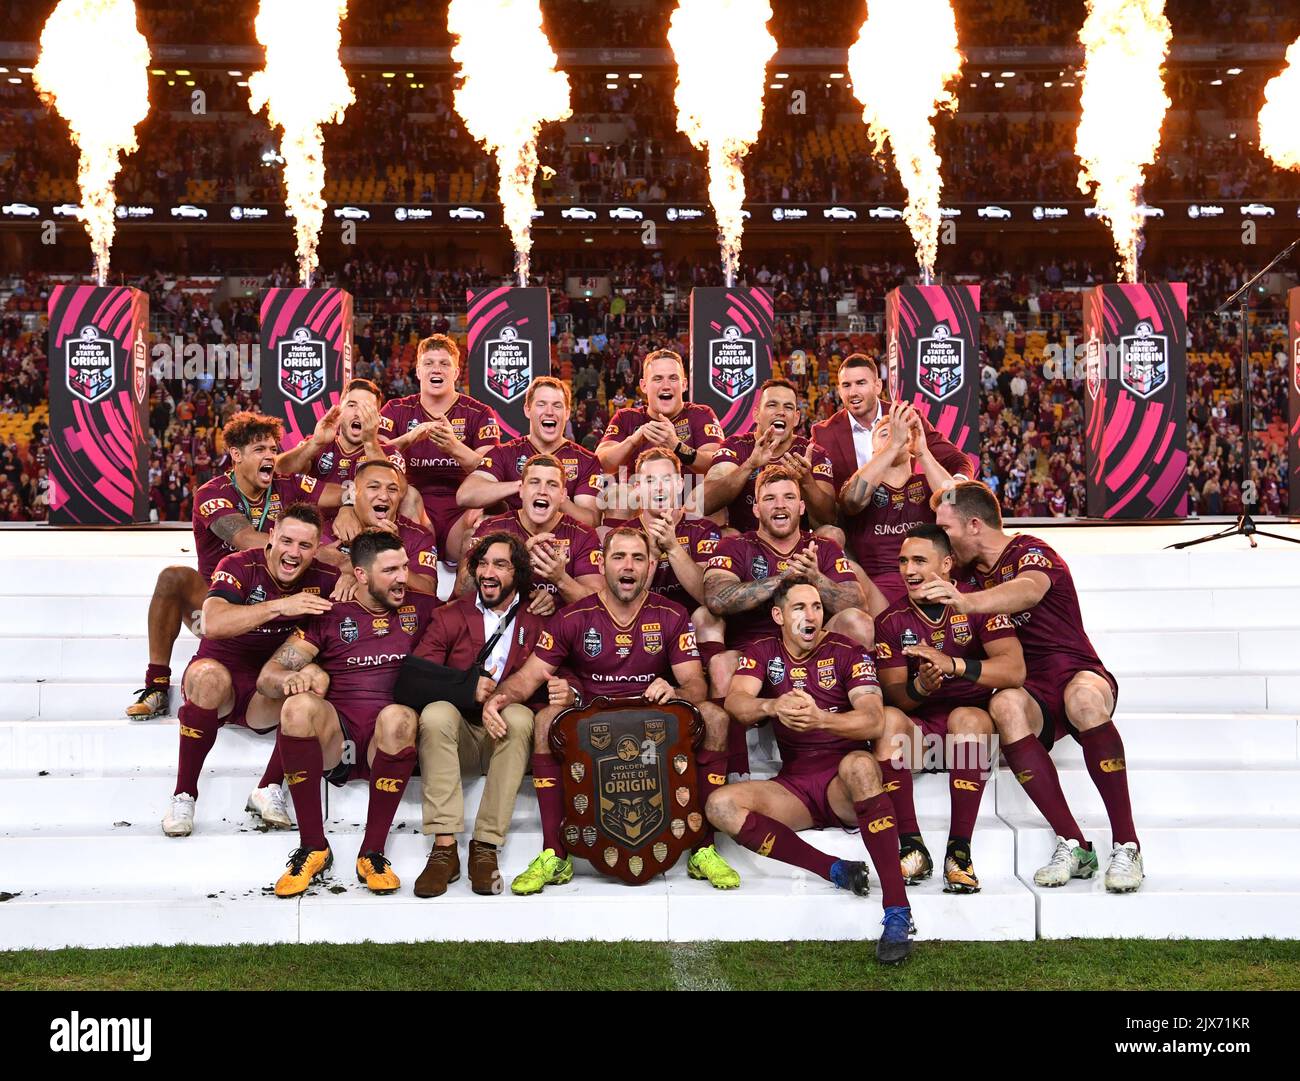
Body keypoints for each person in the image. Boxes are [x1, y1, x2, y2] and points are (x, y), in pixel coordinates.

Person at [482, 528, 740, 894]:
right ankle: (555, 854)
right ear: (602, 563)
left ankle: (703, 849)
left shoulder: (672, 613)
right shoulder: (573, 616)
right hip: (593, 719)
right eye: (619, 557)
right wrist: (500, 698)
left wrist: (675, 688)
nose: (628, 566)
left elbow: (696, 687)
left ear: (652, 566)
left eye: (638, 558)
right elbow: (528, 677)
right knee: (543, 720)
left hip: (653, 717)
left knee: (716, 717)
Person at [926, 482, 1143, 893]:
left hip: (1077, 671)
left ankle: (1128, 843)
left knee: (1082, 700)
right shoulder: (968, 572)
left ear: (974, 525)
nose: (943, 542)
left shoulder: (1030, 549)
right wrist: (918, 447)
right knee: (1004, 705)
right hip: (1031, 686)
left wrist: (969, 603)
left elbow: (1027, 592)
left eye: (947, 531)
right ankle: (1075, 843)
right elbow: (951, 494)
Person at [711, 577, 916, 964]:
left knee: (859, 764)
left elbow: (873, 721)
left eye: (817, 607)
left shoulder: (848, 651)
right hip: (796, 787)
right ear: (778, 615)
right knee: (720, 805)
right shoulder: (762, 651)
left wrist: (821, 719)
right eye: (800, 608)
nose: (811, 616)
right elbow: (736, 702)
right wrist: (771, 708)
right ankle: (834, 870)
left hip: (844, 783)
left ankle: (897, 910)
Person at [257, 531, 439, 897]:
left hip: (389, 740)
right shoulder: (329, 614)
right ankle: (314, 847)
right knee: (297, 707)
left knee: (400, 716)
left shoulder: (423, 608)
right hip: (337, 741)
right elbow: (267, 677)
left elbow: (473, 611)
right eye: (390, 570)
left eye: (404, 566)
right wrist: (292, 679)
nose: (404, 577)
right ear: (360, 574)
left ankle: (372, 853)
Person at [126, 412, 321, 720]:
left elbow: (350, 494)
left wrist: (352, 505)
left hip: (276, 594)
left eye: (273, 449)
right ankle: (157, 686)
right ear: (236, 455)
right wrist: (311, 550)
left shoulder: (288, 485)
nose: (270, 455)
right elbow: (244, 538)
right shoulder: (212, 493)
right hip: (221, 603)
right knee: (173, 577)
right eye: (260, 450)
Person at [161, 504, 338, 838]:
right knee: (209, 677)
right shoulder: (240, 565)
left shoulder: (326, 579)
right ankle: (184, 794)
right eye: (287, 541)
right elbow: (210, 623)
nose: (293, 553)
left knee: (315, 677)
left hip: (266, 693)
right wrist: (280, 606)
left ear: (317, 549)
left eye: (305, 546)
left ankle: (268, 787)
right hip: (220, 685)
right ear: (271, 537)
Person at [874, 524, 1026, 893]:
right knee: (889, 719)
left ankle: (959, 853)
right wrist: (921, 687)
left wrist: (954, 665)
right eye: (904, 561)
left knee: (968, 716)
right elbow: (896, 696)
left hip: (970, 737)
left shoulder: (978, 603)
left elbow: (1014, 670)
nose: (909, 570)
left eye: (920, 561)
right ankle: (912, 847)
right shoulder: (891, 621)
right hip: (921, 743)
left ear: (946, 564)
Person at [410, 532, 541, 898]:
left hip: (507, 738)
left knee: (518, 717)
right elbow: (416, 679)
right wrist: (465, 689)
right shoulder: (450, 616)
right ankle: (444, 848)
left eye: (500, 564)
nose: (488, 572)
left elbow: (562, 671)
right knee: (436, 713)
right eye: (482, 563)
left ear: (518, 573)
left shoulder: (538, 619)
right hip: (461, 739)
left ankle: (485, 846)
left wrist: (569, 690)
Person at [703, 465, 876, 696]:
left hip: (813, 651)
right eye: (769, 498)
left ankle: (862, 715)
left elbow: (858, 606)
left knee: (857, 622)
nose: (780, 505)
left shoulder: (824, 547)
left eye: (789, 497)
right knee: (722, 665)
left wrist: (815, 578)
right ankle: (736, 732)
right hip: (753, 653)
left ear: (801, 506)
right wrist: (783, 580)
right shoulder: (734, 546)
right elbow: (716, 600)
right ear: (756, 509)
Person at [380, 334, 501, 564]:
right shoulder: (395, 409)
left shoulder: (480, 413)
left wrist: (454, 447)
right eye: (429, 363)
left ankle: (462, 596)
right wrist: (408, 438)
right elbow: (372, 460)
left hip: (461, 512)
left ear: (456, 373)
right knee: (407, 497)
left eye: (445, 364)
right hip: (414, 510)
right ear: (417, 371)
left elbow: (491, 474)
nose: (437, 369)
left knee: (488, 505)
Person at [838, 401, 955, 607]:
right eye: (885, 434)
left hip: (932, 584)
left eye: (899, 432)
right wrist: (893, 444)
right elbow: (851, 501)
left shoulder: (926, 482)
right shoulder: (860, 483)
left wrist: (922, 451)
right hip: (879, 592)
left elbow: (954, 504)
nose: (895, 436)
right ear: (874, 451)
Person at [811, 353, 973, 495]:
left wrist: (958, 484)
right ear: (839, 390)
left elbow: (958, 460)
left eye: (861, 383)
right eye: (846, 385)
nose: (853, 392)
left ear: (877, 386)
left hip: (904, 516)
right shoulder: (823, 433)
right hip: (854, 524)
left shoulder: (906, 417)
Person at [460, 454, 603, 612]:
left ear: (563, 495)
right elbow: (462, 590)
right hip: (503, 626)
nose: (542, 491)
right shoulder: (492, 528)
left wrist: (560, 579)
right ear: (521, 490)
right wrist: (516, 559)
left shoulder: (583, 535)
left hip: (561, 629)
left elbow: (597, 606)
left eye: (552, 485)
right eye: (534, 482)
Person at [457, 376, 603, 528]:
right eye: (541, 404)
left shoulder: (587, 460)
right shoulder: (504, 453)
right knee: (472, 525)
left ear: (567, 413)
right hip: (512, 541)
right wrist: (522, 485)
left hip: (564, 544)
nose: (549, 412)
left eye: (557, 406)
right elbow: (465, 495)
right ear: (527, 410)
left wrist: (554, 494)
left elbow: (591, 521)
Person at [704, 379, 837, 532]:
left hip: (798, 548)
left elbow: (830, 519)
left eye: (788, 407)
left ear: (796, 418)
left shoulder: (813, 453)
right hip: (744, 546)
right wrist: (749, 465)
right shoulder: (735, 446)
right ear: (756, 415)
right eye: (772, 405)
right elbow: (704, 504)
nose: (780, 411)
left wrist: (807, 482)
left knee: (833, 533)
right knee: (726, 534)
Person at [272, 379, 409, 506]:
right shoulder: (318, 445)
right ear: (340, 410)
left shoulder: (389, 453)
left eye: (367, 408)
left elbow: (400, 493)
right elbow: (278, 472)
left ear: (378, 418)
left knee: (413, 496)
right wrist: (315, 443)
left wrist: (370, 443)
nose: (358, 413)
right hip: (316, 527)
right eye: (352, 405)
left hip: (363, 528)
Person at [316, 459, 440, 595]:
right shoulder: (328, 531)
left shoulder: (419, 536)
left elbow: (428, 591)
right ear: (352, 492)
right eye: (374, 487)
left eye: (392, 489)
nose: (384, 496)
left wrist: (388, 550)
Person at [596, 348, 724, 476]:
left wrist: (677, 447)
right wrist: (632, 442)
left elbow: (718, 466)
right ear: (644, 386)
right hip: (637, 495)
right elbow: (599, 465)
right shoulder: (625, 418)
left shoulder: (701, 414)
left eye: (673, 378)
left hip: (691, 496)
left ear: (684, 384)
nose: (666, 385)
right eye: (658, 379)